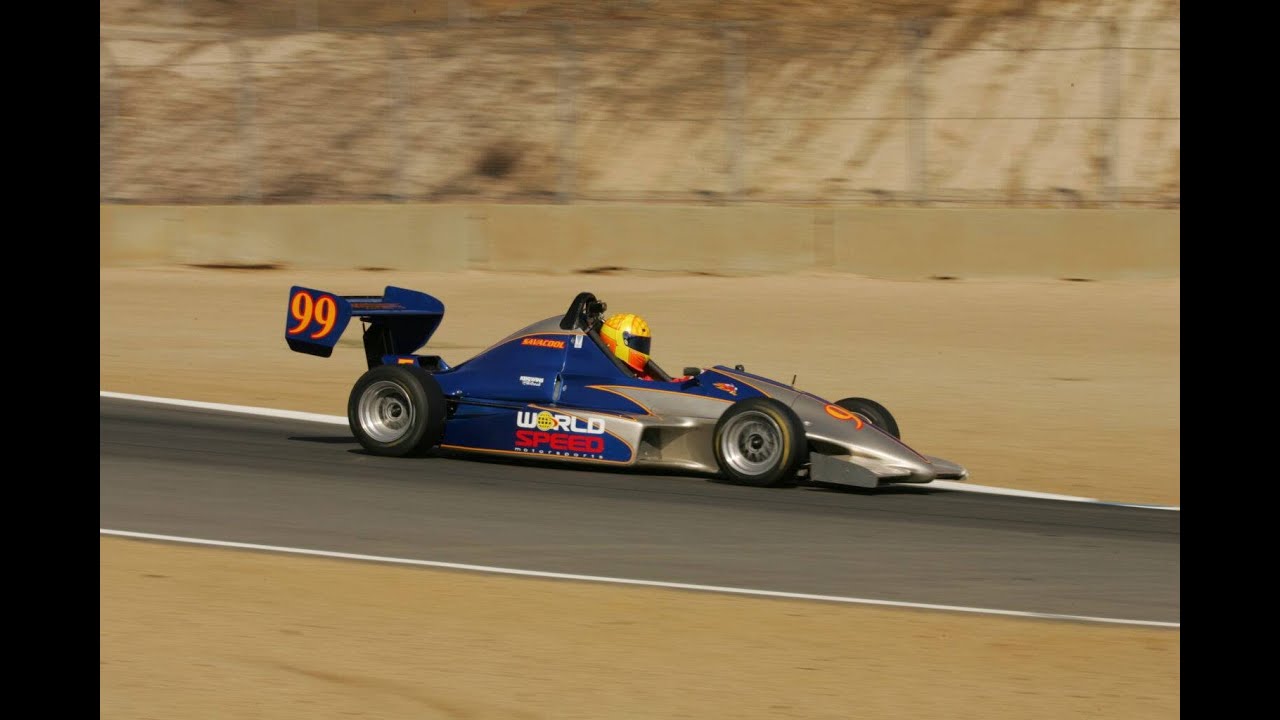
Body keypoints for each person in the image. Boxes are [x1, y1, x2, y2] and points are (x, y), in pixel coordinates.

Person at [599, 312, 689, 382]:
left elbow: (663, 384)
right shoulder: (615, 375)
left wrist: (687, 381)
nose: (641, 348)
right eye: (637, 344)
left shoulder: (635, 373)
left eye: (642, 344)